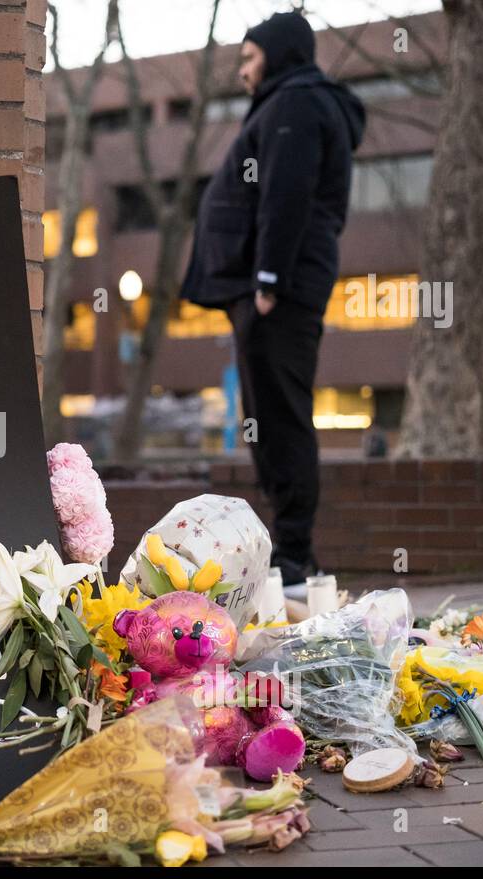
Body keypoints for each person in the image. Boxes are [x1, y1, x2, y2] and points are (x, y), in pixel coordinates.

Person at [180, 10, 365, 592]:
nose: (242, 71)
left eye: (250, 58)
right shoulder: (288, 103)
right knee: (269, 415)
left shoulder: (297, 104)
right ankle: (288, 553)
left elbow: (286, 193)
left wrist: (268, 280)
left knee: (281, 416)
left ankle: (293, 557)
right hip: (270, 289)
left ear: (279, 54)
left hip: (276, 291)